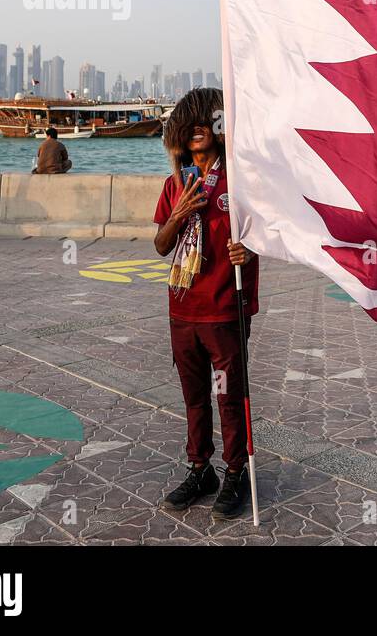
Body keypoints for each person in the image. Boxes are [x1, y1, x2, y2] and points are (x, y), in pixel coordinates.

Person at [152, 87, 259, 520]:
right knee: (194, 396)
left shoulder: (239, 180)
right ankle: (201, 468)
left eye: (206, 121)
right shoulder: (175, 183)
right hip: (183, 307)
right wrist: (179, 214)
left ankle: (236, 471)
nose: (198, 130)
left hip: (225, 306)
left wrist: (248, 250)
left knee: (229, 396)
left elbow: (264, 233)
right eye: (189, 123)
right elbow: (161, 245)